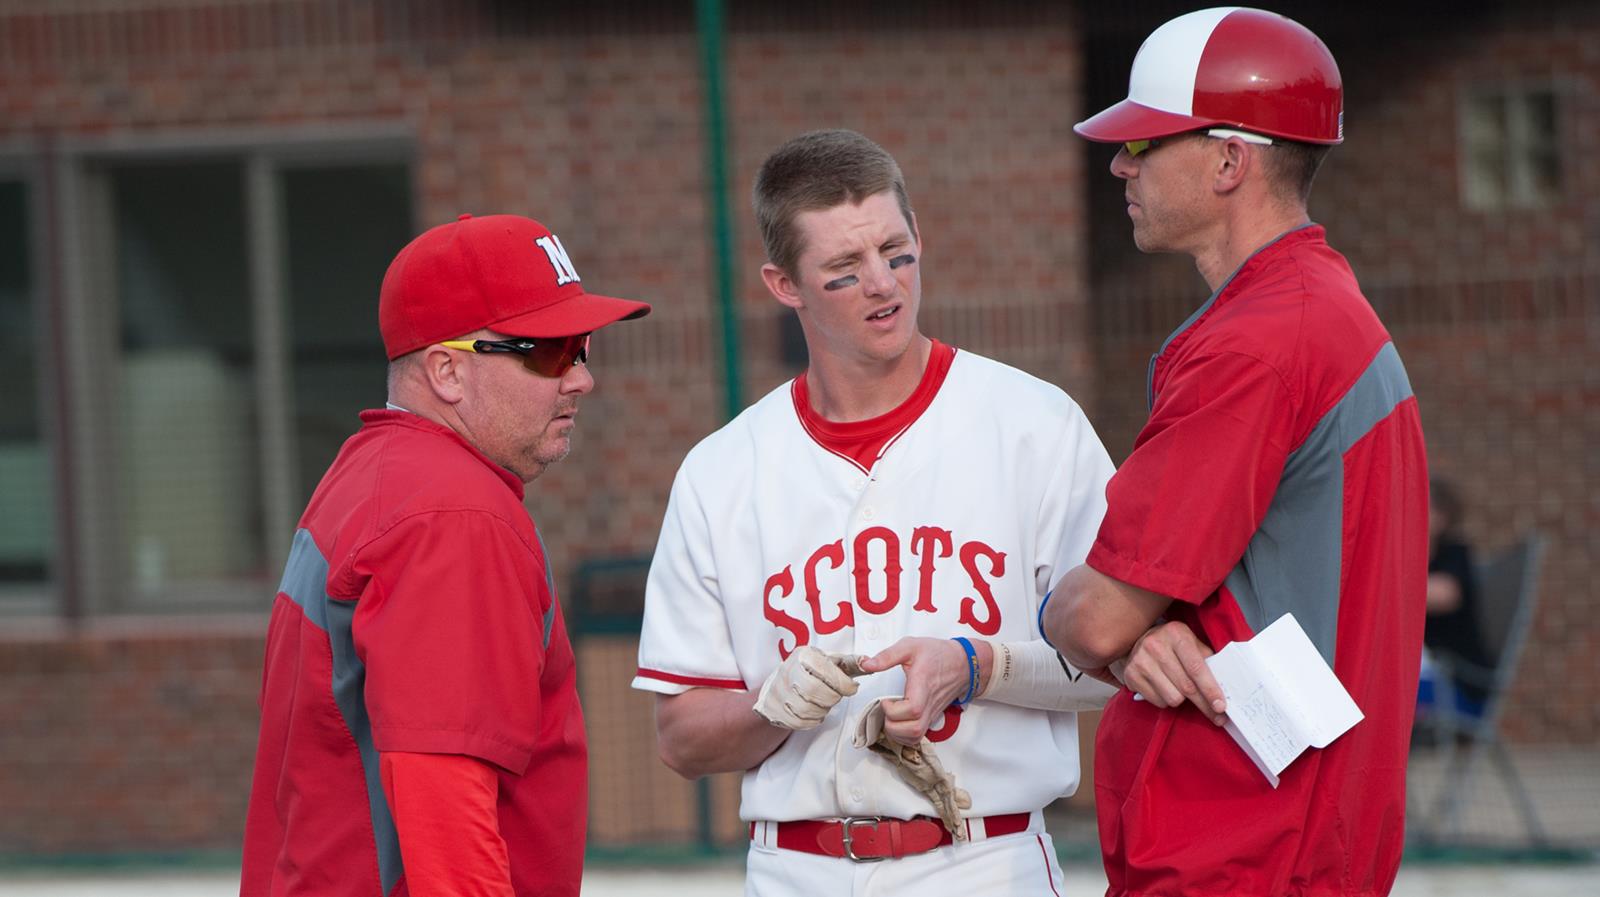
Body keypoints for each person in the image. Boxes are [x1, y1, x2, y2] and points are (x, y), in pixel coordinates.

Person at [633, 129, 1118, 894]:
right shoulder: (721, 470)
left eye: (896, 252)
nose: (883, 284)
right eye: (843, 269)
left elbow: (1117, 658)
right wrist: (774, 709)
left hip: (984, 859)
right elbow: (681, 737)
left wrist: (977, 665)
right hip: (794, 868)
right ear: (783, 283)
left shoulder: (1035, 424)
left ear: (919, 235)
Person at [1040, 8, 1429, 897]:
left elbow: (1095, 618)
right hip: (1298, 833)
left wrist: (1076, 617)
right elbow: (1146, 623)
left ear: (1228, 160)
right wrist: (1142, 636)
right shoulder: (1321, 305)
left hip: (1244, 842)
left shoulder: (1256, 343)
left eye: (1146, 144)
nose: (1119, 164)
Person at [240, 213, 650, 897]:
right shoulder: (454, 514)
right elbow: (444, 807)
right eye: (548, 351)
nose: (580, 378)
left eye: (581, 347)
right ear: (448, 371)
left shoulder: (370, 474)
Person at [1418, 477, 1492, 720]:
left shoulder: (1454, 553)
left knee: (1376, 689)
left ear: (1442, 516)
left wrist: (1387, 590)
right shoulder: (1411, 558)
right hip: (1431, 675)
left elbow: (1445, 594)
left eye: (1420, 505)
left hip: (1459, 686)